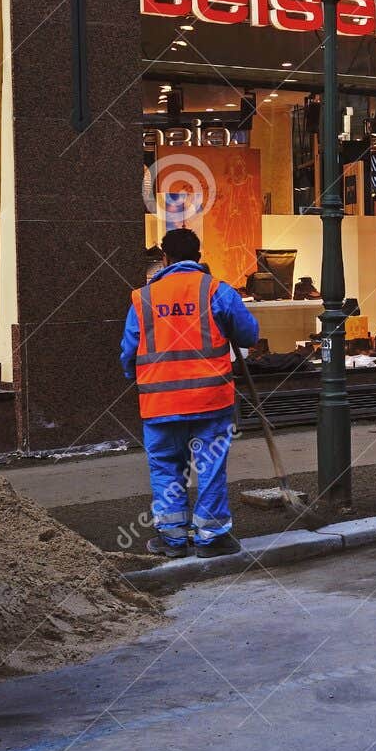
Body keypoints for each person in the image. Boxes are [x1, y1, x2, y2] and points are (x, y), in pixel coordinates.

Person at [121, 228, 260, 558]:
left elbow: (128, 351)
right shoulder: (215, 291)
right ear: (199, 258)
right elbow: (249, 334)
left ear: (165, 260)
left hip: (159, 402)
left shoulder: (143, 297)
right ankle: (211, 538)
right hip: (210, 401)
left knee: (167, 466)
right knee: (210, 468)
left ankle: (172, 538)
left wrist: (137, 377)